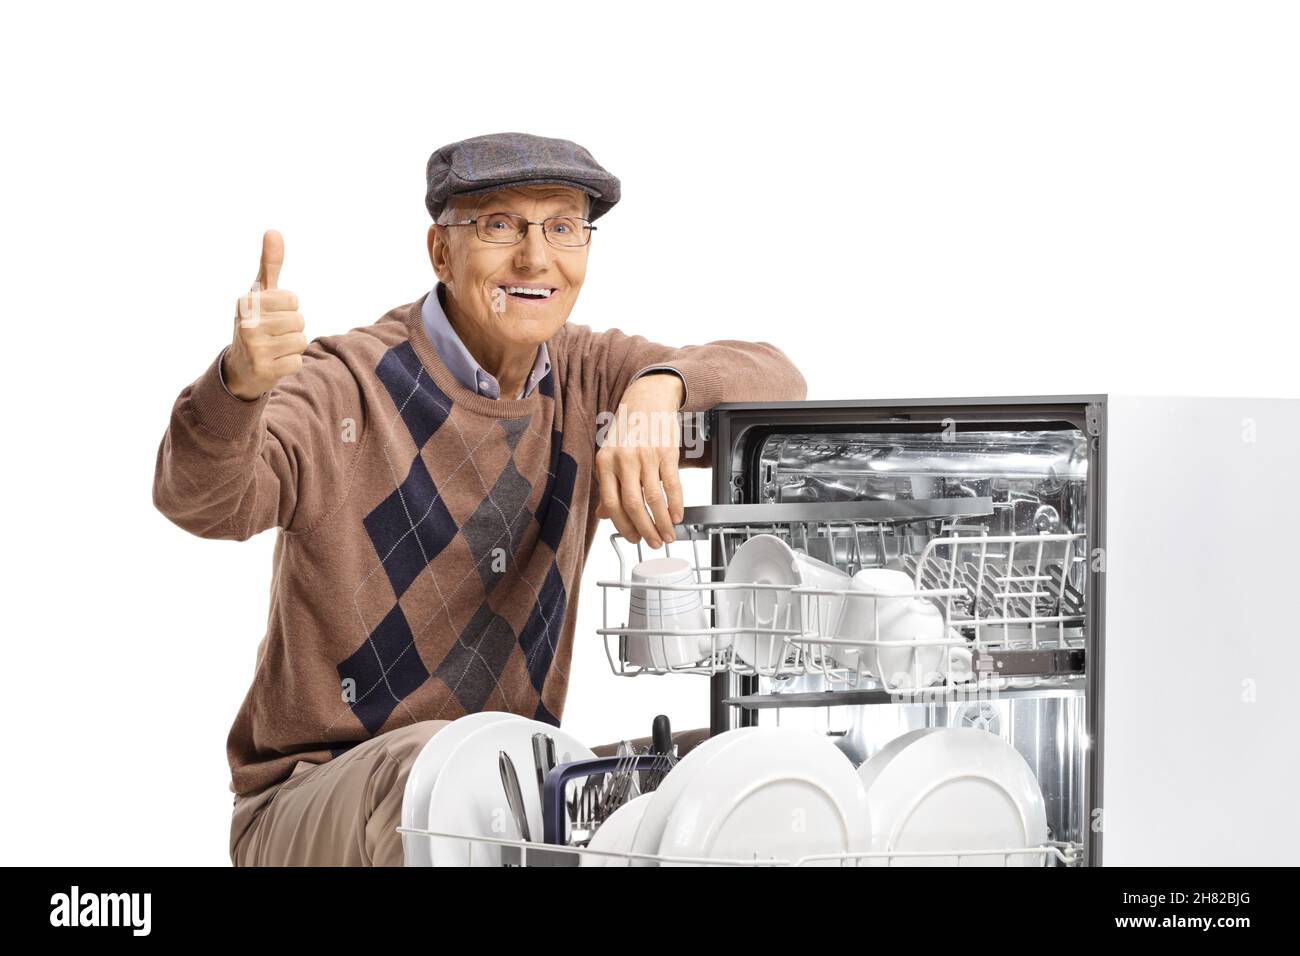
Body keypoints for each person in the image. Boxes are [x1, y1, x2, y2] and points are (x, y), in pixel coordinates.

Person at [152, 131, 807, 865]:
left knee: (744, 766)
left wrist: (664, 389)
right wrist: (237, 387)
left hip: (502, 793)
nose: (536, 257)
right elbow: (203, 499)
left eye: (562, 227)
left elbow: (777, 382)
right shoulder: (346, 383)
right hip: (311, 801)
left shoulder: (591, 377)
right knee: (441, 775)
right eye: (500, 226)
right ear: (441, 252)